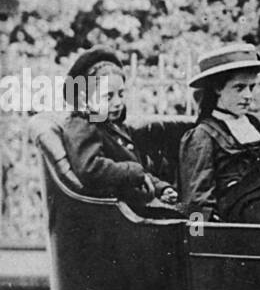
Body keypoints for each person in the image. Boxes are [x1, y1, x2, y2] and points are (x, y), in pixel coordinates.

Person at [178, 44, 260, 225]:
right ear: (217, 89)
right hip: (242, 211)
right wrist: (198, 239)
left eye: (251, 87)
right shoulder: (203, 135)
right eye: (239, 88)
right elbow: (196, 196)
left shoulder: (258, 124)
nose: (248, 95)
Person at [59, 48, 180, 210]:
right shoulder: (82, 124)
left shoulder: (112, 126)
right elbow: (90, 168)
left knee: (198, 216)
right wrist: (131, 171)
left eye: (121, 94)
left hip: (137, 205)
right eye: (108, 97)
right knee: (197, 221)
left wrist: (161, 188)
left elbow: (139, 171)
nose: (117, 103)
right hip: (118, 213)